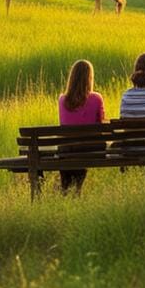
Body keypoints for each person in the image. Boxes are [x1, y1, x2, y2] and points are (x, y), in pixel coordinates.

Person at [57, 59, 106, 193]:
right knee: (84, 146)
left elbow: (64, 123)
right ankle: (75, 189)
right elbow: (100, 124)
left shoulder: (62, 100)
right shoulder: (96, 98)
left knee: (69, 148)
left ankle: (67, 189)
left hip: (68, 149)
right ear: (90, 78)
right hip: (89, 149)